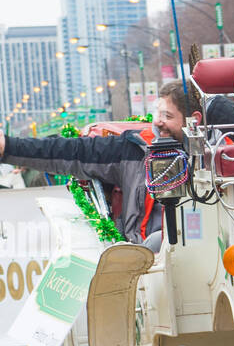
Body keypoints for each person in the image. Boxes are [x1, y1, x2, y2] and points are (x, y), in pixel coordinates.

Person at [0, 81, 200, 249]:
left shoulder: (220, 151)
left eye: (168, 116)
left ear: (195, 121)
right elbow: (72, 151)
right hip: (149, 260)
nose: (158, 122)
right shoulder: (134, 149)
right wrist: (8, 147)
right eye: (159, 114)